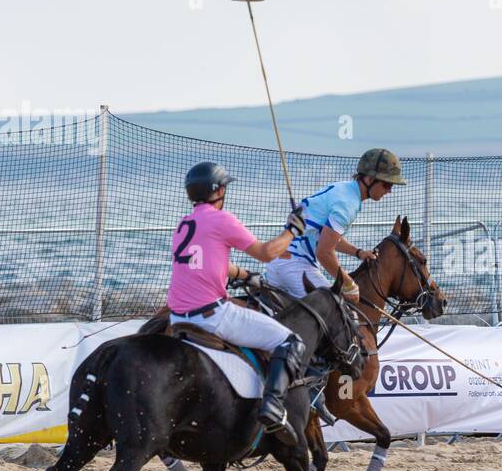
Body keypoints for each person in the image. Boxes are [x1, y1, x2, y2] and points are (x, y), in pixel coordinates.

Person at [167, 161, 308, 443]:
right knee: (292, 342)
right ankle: (272, 407)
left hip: (177, 318)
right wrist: (292, 230)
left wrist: (244, 275)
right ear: (218, 191)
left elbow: (207, 261)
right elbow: (268, 252)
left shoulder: (185, 224)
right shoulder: (222, 219)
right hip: (212, 316)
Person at [264, 148, 407, 301]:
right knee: (341, 313)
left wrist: (358, 252)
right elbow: (324, 252)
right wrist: (348, 283)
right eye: (387, 184)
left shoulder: (344, 189)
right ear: (369, 179)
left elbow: (327, 237)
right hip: (295, 266)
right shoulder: (348, 203)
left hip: (277, 262)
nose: (390, 191)